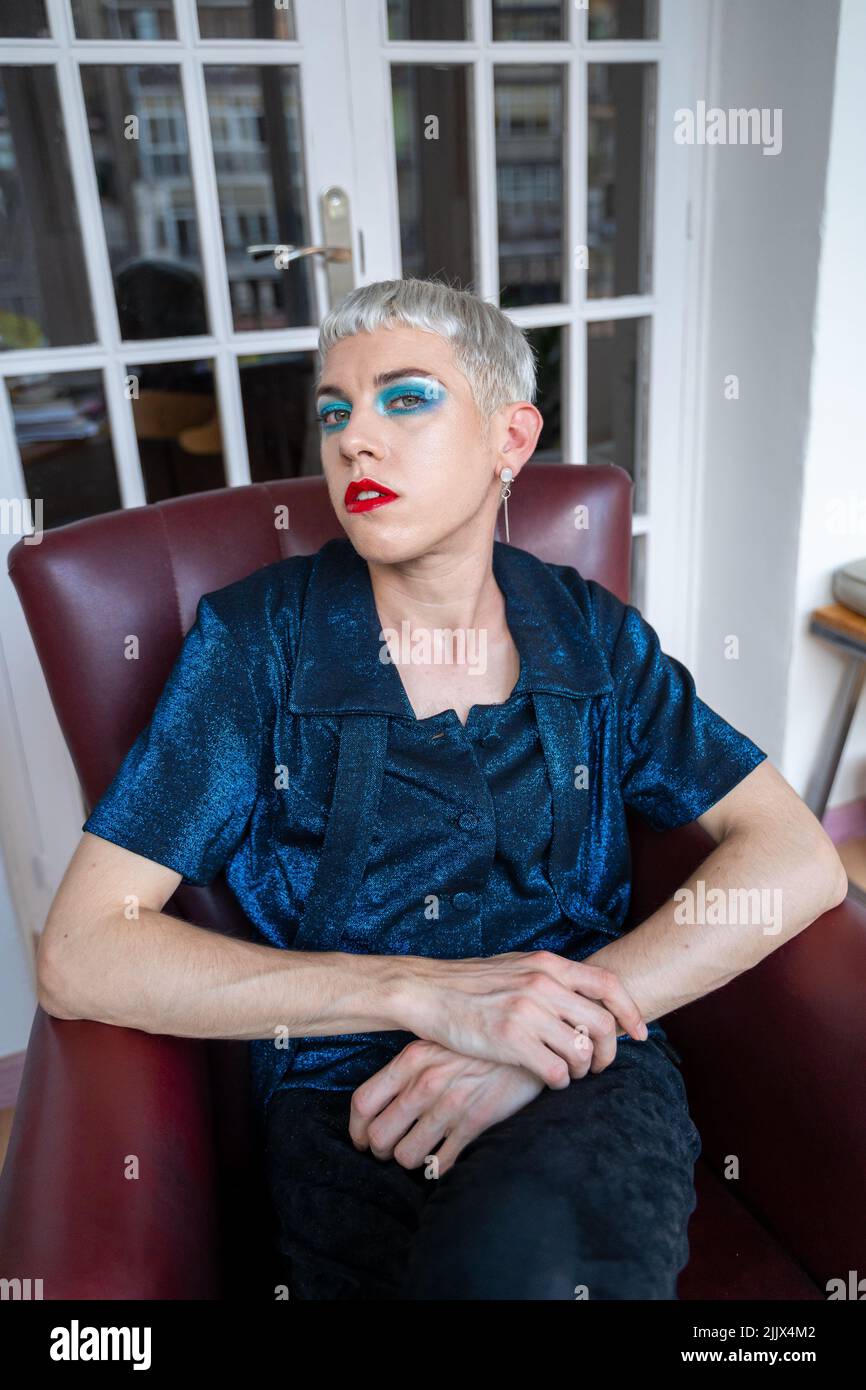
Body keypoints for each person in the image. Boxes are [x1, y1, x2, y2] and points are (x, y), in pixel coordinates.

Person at [39, 278, 848, 1301]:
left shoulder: (589, 634)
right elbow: (81, 948)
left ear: (509, 436)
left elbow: (792, 855)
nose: (352, 442)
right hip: (354, 1100)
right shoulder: (258, 646)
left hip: (580, 1076)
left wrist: (547, 1033)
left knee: (539, 1267)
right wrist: (418, 993)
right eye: (333, 410)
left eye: (404, 398)